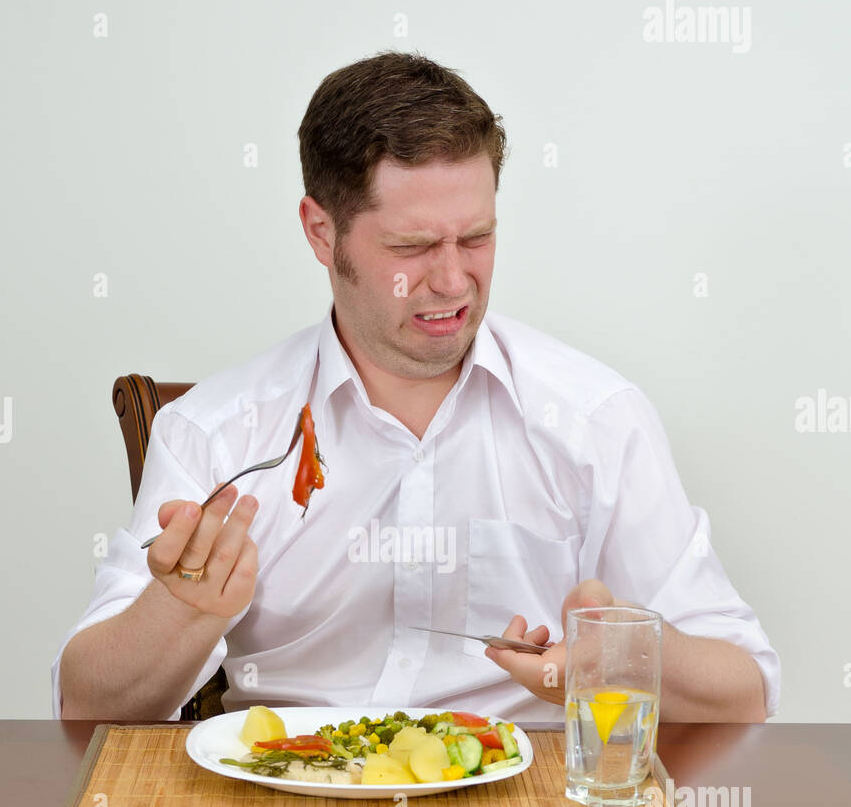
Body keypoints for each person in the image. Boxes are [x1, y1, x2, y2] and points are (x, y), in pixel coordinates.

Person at [54, 51, 779, 725]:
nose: (453, 280)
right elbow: (84, 709)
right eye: (411, 246)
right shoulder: (218, 434)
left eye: (477, 238)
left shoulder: (596, 417)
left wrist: (625, 656)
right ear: (320, 232)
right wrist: (178, 612)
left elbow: (746, 691)